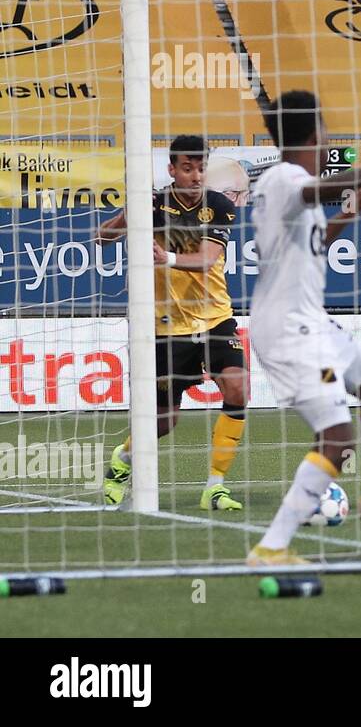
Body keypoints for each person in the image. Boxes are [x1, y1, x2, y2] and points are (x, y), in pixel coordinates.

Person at [246, 90, 361, 567]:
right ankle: (271, 546)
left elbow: (315, 237)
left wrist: (351, 212)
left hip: (313, 320)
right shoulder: (286, 177)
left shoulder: (291, 186)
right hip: (289, 327)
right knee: (336, 436)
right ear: (318, 134)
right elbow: (315, 190)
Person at [96, 135, 248, 512]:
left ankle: (215, 487)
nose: (196, 176)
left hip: (214, 318)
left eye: (200, 168)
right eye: (187, 168)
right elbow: (102, 239)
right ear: (172, 170)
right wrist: (129, 214)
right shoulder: (154, 204)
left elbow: (207, 260)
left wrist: (165, 257)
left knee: (238, 388)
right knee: (164, 422)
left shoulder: (219, 204)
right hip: (165, 327)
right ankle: (122, 462)